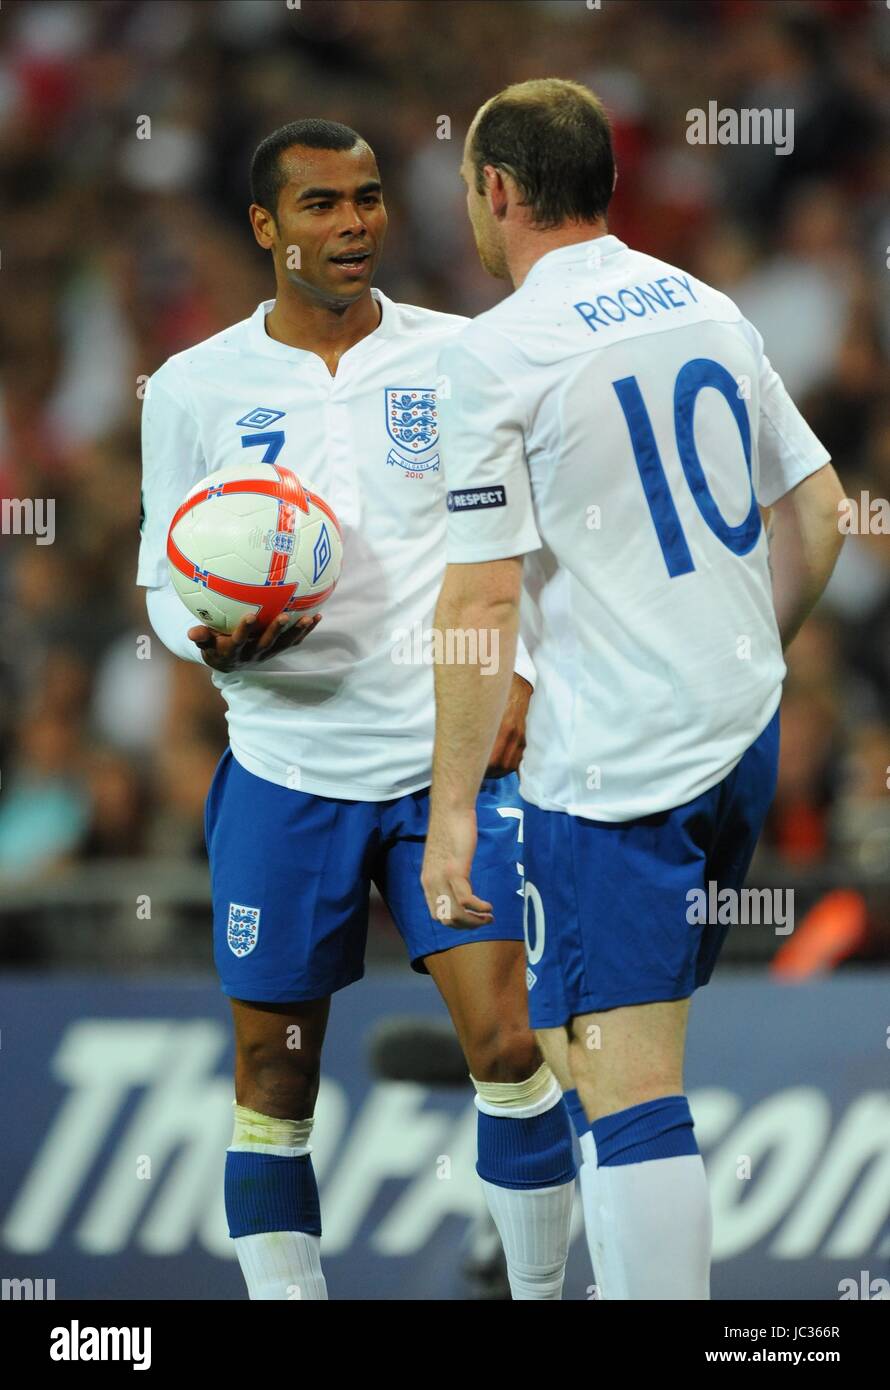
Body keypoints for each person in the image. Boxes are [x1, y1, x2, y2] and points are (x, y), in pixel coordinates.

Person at [421, 78, 845, 1300]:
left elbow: (480, 604)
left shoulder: (494, 352)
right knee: (591, 1044)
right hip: (734, 738)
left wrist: (452, 809)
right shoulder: (708, 306)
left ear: (495, 191)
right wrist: (738, 650)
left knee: (620, 1075)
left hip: (616, 772)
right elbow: (815, 512)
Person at [138, 118, 576, 1301]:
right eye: (321, 205)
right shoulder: (192, 387)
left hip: (450, 767)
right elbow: (162, 584)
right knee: (273, 1081)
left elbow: (522, 544)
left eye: (368, 199)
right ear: (263, 227)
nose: (352, 225)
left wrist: (524, 669)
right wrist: (210, 638)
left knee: (511, 1045)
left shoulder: (461, 355)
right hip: (284, 766)